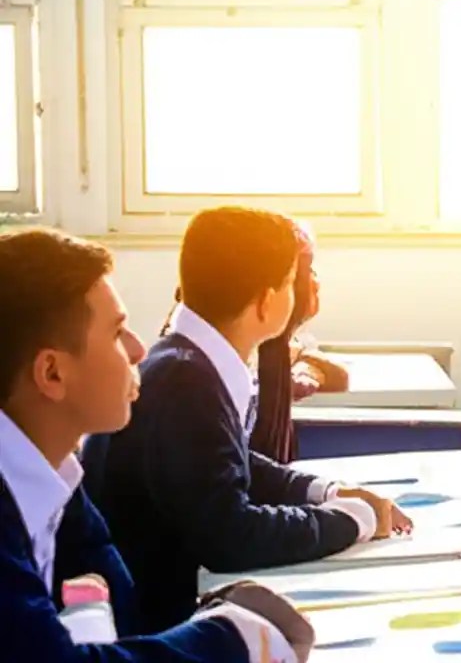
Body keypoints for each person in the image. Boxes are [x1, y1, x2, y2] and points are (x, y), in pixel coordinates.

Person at [82, 206, 411, 633]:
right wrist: (351, 521)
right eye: (291, 281)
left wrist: (321, 491)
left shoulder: (186, 359)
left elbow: (228, 462)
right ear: (266, 301)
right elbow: (231, 536)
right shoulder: (185, 381)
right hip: (152, 625)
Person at [0, 227, 311, 662]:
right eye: (116, 333)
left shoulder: (57, 477)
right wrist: (229, 640)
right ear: (52, 373)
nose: (138, 349)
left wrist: (206, 617)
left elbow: (125, 615)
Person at [250, 219, 347, 463]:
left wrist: (307, 364)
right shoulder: (251, 357)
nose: (315, 281)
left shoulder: (278, 344)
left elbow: (339, 376)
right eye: (305, 271)